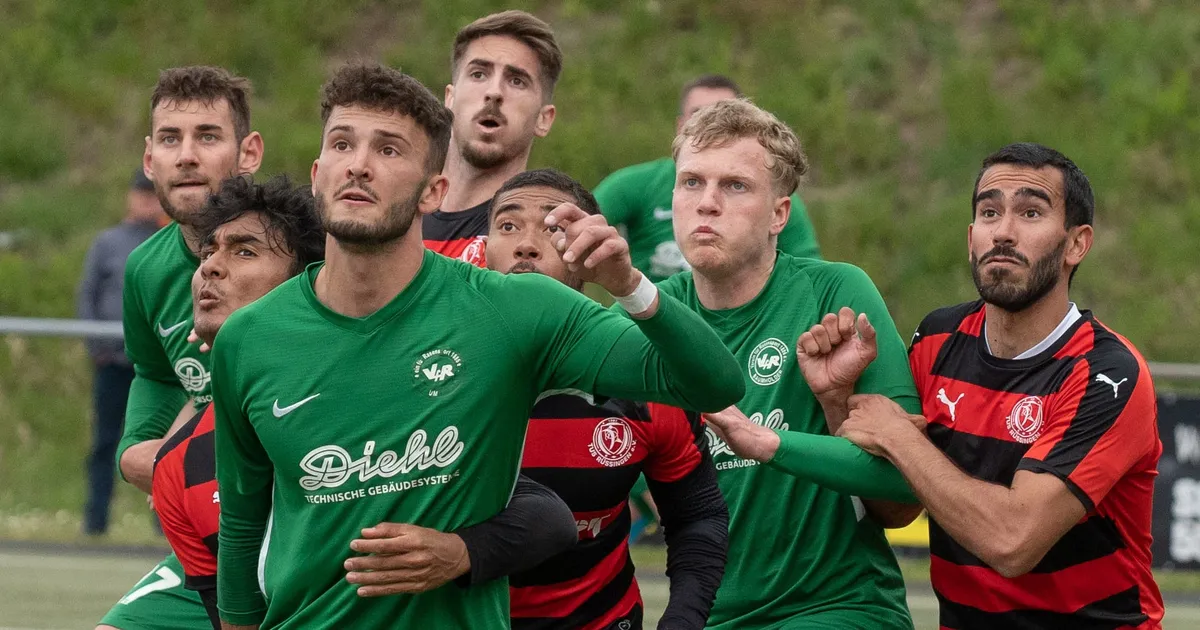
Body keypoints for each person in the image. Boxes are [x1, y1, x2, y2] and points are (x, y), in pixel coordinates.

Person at [211, 61, 742, 629]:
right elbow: (242, 534)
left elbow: (714, 382)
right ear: (319, 172)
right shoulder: (248, 339)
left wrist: (629, 285)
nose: (359, 165)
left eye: (389, 150)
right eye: (343, 144)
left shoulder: (515, 310)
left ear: (434, 190)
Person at [153, 174, 578, 630]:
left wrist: (461, 552)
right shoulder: (176, 467)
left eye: (244, 251)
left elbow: (549, 518)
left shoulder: (381, 398)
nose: (211, 268)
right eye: (207, 252)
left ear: (306, 276)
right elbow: (235, 614)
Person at [831, 143, 1165, 628]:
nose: (1003, 232)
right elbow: (897, 508)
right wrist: (836, 399)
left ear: (1077, 244)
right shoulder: (937, 339)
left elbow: (1013, 542)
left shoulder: (1106, 373)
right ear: (971, 237)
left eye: (1031, 212)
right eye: (990, 212)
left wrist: (898, 437)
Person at [644, 99, 922, 629]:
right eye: (691, 183)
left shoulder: (834, 294)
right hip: (703, 617)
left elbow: (904, 492)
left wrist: (775, 443)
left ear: (780, 214)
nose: (707, 203)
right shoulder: (649, 317)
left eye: (735, 186)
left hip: (835, 609)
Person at [485, 168, 729, 629]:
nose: (526, 245)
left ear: (587, 255)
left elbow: (698, 518)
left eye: (553, 229)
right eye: (508, 226)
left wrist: (682, 621)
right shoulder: (435, 367)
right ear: (482, 251)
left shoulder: (640, 380)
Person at [99, 65, 263, 630]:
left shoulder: (304, 250)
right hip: (217, 537)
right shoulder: (146, 269)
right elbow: (159, 373)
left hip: (307, 523)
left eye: (208, 136)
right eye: (171, 139)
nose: (186, 155)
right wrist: (137, 446)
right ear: (150, 160)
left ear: (249, 153)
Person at [594, 74, 821, 283]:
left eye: (736, 186)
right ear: (680, 125)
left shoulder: (772, 197)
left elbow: (809, 276)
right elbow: (576, 228)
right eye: (699, 114)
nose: (713, 123)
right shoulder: (636, 184)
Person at [422, 10, 559, 265]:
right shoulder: (393, 212)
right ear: (449, 99)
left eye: (517, 81)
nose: (494, 92)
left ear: (544, 119)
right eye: (478, 74)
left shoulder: (534, 246)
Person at [77, 168, 166, 536]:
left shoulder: (168, 242)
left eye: (152, 194)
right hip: (114, 363)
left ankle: (169, 527)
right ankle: (95, 523)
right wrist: (98, 347)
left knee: (168, 447)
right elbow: (88, 294)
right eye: (141, 193)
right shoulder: (108, 243)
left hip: (161, 368)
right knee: (105, 442)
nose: (146, 200)